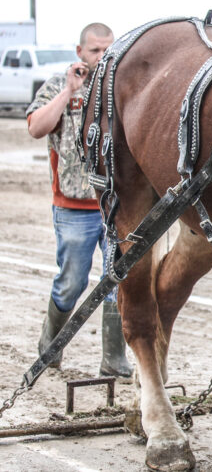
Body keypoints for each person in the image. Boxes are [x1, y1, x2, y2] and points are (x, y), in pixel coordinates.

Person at [26, 22, 131, 378]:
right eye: (94, 51)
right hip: (74, 208)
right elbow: (36, 127)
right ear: (80, 53)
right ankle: (50, 347)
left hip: (115, 205)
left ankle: (114, 360)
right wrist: (69, 90)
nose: (101, 57)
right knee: (72, 282)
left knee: (116, 280)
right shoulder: (58, 85)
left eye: (107, 50)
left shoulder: (121, 86)